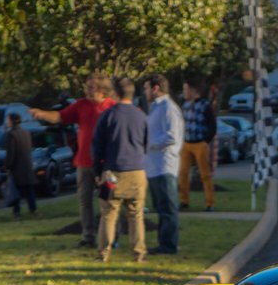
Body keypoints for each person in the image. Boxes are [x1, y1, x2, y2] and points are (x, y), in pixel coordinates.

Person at [31, 74, 115, 248]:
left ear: (102, 89)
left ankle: (111, 238)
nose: (87, 90)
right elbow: (60, 116)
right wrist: (42, 114)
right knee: (85, 201)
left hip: (105, 164)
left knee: (109, 201)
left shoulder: (112, 107)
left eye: (91, 87)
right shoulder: (81, 105)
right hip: (84, 162)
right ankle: (88, 236)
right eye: (86, 87)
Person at [91, 76, 149, 263]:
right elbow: (146, 143)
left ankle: (103, 253)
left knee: (109, 214)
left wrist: (97, 171)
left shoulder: (108, 116)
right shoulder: (141, 116)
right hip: (137, 170)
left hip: (112, 171)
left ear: (115, 93)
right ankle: (139, 252)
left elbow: (97, 146)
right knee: (136, 214)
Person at [145, 73, 184, 255]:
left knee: (168, 207)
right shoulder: (155, 108)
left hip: (165, 164)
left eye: (146, 88)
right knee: (161, 207)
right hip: (154, 165)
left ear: (155, 88)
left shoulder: (168, 108)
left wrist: (150, 144)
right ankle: (163, 242)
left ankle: (169, 245)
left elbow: (172, 136)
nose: (145, 92)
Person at [179, 79, 216, 211]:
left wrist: (206, 141)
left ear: (193, 90)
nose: (184, 92)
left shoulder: (205, 105)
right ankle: (184, 201)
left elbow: (212, 125)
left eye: (186, 89)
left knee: (205, 174)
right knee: (183, 173)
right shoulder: (185, 105)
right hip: (186, 143)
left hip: (200, 144)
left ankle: (210, 203)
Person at [2, 113, 37, 218]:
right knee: (29, 190)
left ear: (12, 121)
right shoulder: (26, 132)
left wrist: (7, 165)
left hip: (17, 168)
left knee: (15, 190)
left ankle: (16, 211)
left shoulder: (11, 135)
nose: (6, 122)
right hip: (27, 165)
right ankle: (33, 209)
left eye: (8, 120)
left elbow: (11, 153)